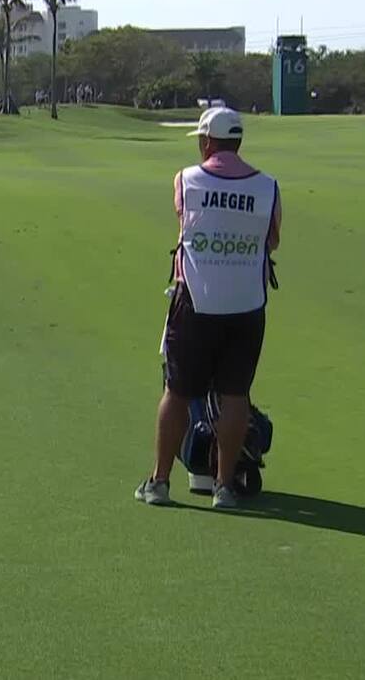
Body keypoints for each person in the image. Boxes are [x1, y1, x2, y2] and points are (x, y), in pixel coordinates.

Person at [136, 107, 281, 509]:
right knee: (235, 394)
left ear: (205, 142)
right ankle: (223, 487)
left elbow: (185, 220)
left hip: (196, 301)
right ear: (239, 141)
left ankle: (159, 482)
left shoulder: (187, 179)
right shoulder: (268, 186)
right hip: (247, 305)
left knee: (178, 392)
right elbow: (272, 240)